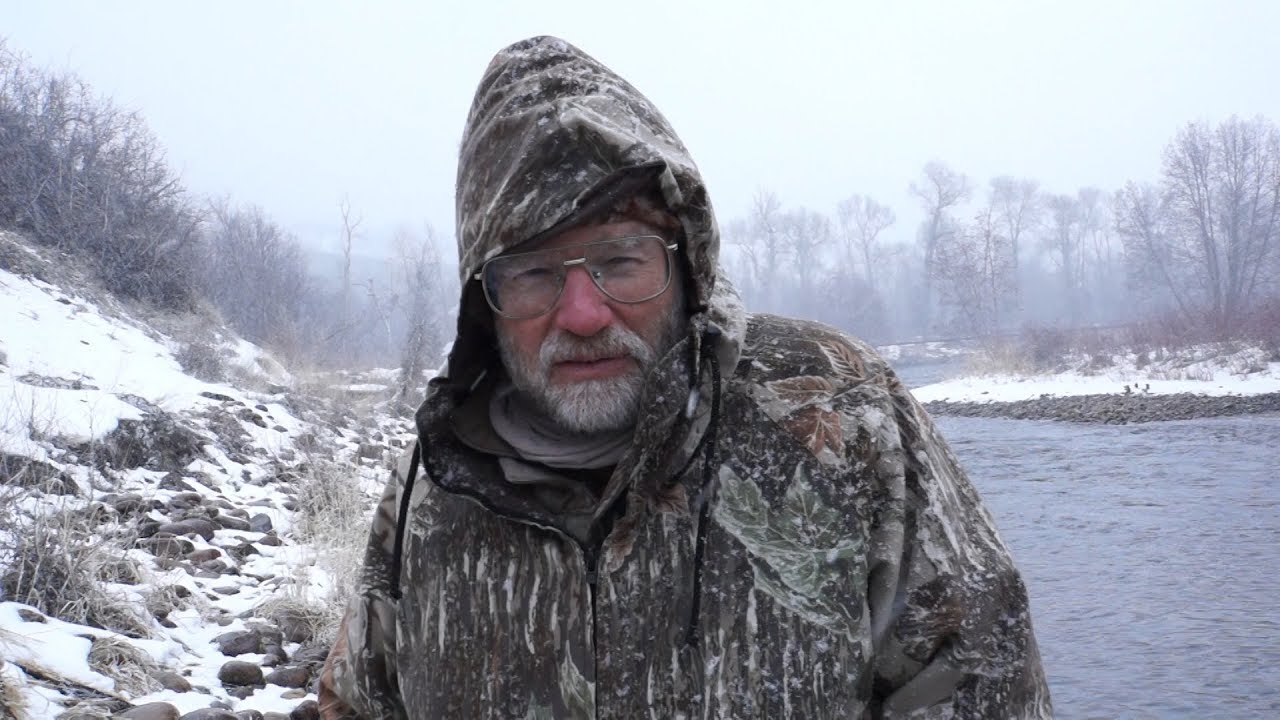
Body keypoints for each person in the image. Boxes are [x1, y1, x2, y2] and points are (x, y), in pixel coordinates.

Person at [319, 36, 1051, 719]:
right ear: (485, 297)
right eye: (535, 271)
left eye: (619, 260)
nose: (581, 313)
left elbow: (983, 681)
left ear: (685, 261)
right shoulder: (431, 488)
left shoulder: (844, 414)